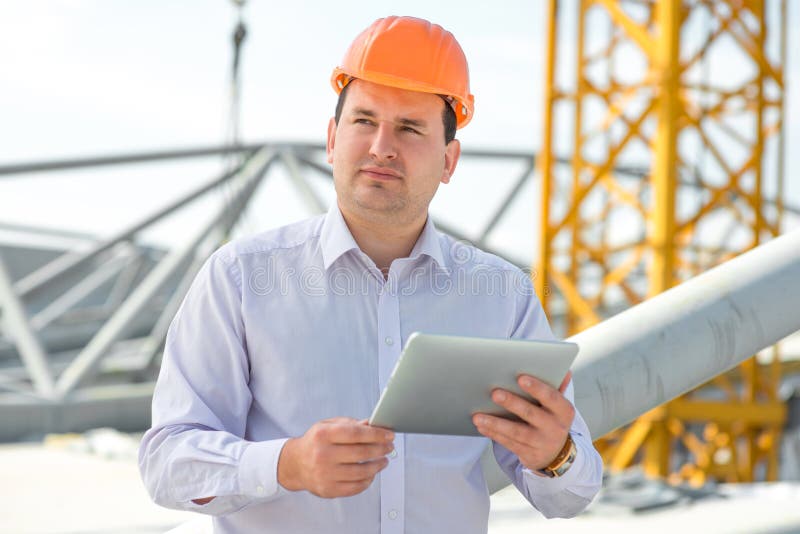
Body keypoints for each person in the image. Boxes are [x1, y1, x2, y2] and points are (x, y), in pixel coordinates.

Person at [139, 15, 602, 533]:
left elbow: (570, 496)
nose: (382, 145)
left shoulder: (503, 296)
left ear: (449, 160)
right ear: (333, 138)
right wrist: (285, 464)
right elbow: (166, 462)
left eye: (409, 128)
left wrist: (554, 455)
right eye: (364, 121)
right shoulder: (240, 278)